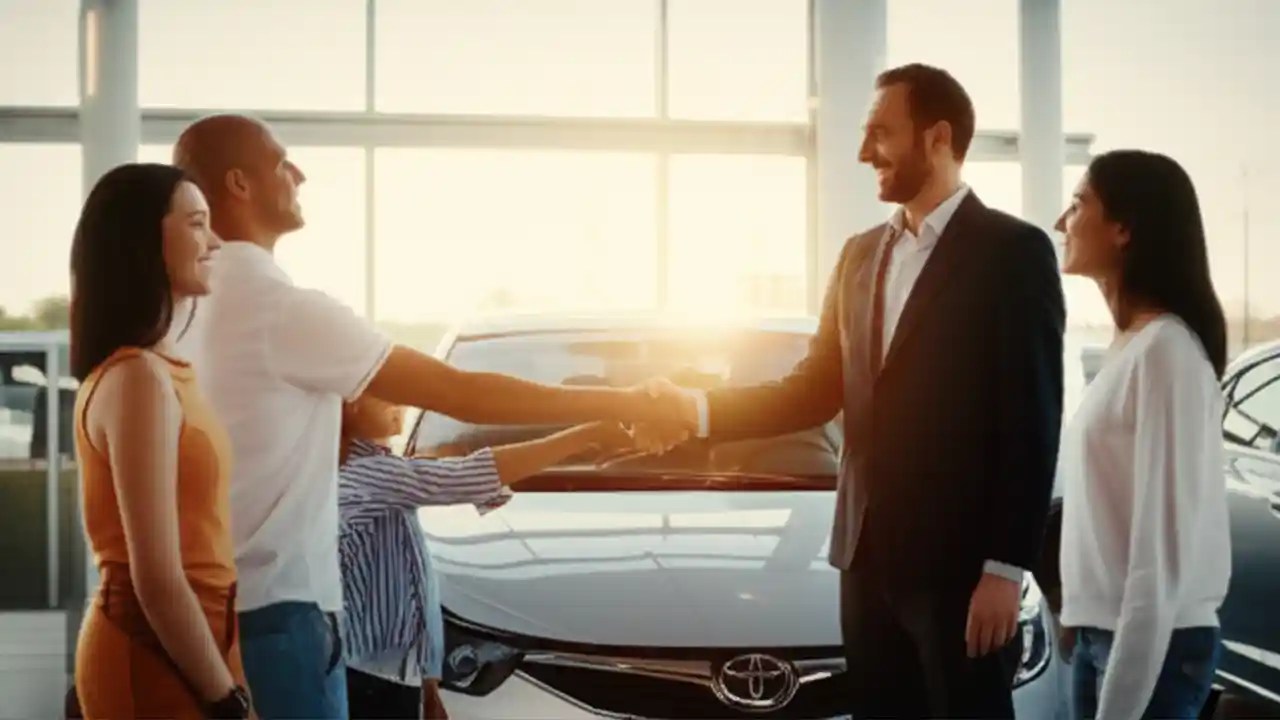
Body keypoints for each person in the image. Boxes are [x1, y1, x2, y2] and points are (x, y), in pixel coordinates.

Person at [170, 114, 682, 719]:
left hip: (211, 608)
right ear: (239, 183)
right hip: (283, 615)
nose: (299, 174)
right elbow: (460, 393)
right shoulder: (284, 310)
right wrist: (622, 401)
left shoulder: (181, 311)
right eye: (282, 162)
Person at [639, 63, 1065, 718]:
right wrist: (698, 409)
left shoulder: (1013, 252)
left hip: (961, 574)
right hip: (864, 565)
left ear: (938, 137)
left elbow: (1032, 422)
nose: (865, 152)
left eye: (880, 132)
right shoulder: (859, 256)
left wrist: (1006, 569)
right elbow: (811, 392)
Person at [68, 163, 251, 719]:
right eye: (196, 223)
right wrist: (226, 702)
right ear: (142, 240)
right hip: (155, 652)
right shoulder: (138, 378)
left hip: (199, 642)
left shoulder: (164, 370)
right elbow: (157, 579)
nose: (214, 242)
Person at [1054, 150, 1231, 720]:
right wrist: (1079, 613)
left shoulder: (1166, 352)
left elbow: (1159, 555)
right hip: (1102, 636)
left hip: (1152, 646)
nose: (1061, 222)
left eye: (1078, 204)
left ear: (1124, 228)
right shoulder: (1130, 347)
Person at [337, 394, 636, 719]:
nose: (399, 402)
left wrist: (428, 684)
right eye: (381, 396)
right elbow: (472, 473)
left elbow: (412, 596)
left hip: (390, 676)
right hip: (369, 680)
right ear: (349, 405)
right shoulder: (369, 475)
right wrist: (585, 436)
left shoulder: (384, 475)